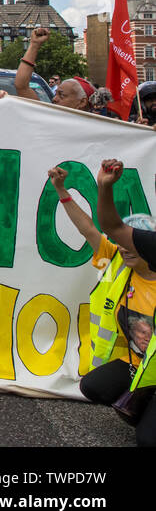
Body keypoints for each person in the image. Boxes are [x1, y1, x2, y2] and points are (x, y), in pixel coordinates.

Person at [64, 160, 156, 445]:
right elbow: (89, 229)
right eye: (122, 244)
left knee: (147, 441)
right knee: (92, 386)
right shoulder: (117, 261)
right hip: (141, 363)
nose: (125, 249)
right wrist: (61, 191)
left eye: (132, 244)